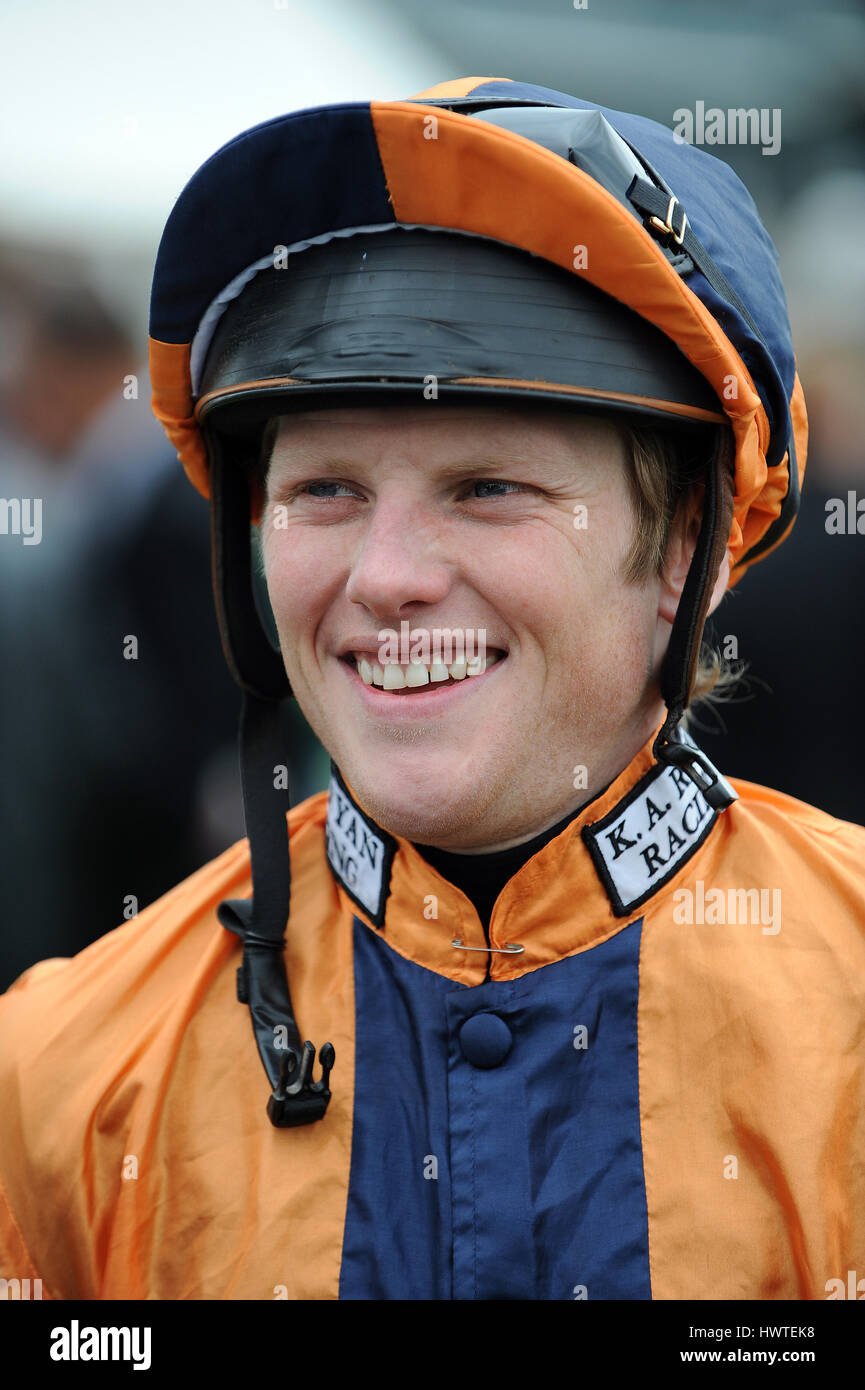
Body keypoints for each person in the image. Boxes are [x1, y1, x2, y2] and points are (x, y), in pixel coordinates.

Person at [1, 75, 862, 1302]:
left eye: (488, 486)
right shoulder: (53, 1076)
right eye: (325, 490)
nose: (386, 578)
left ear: (684, 552)